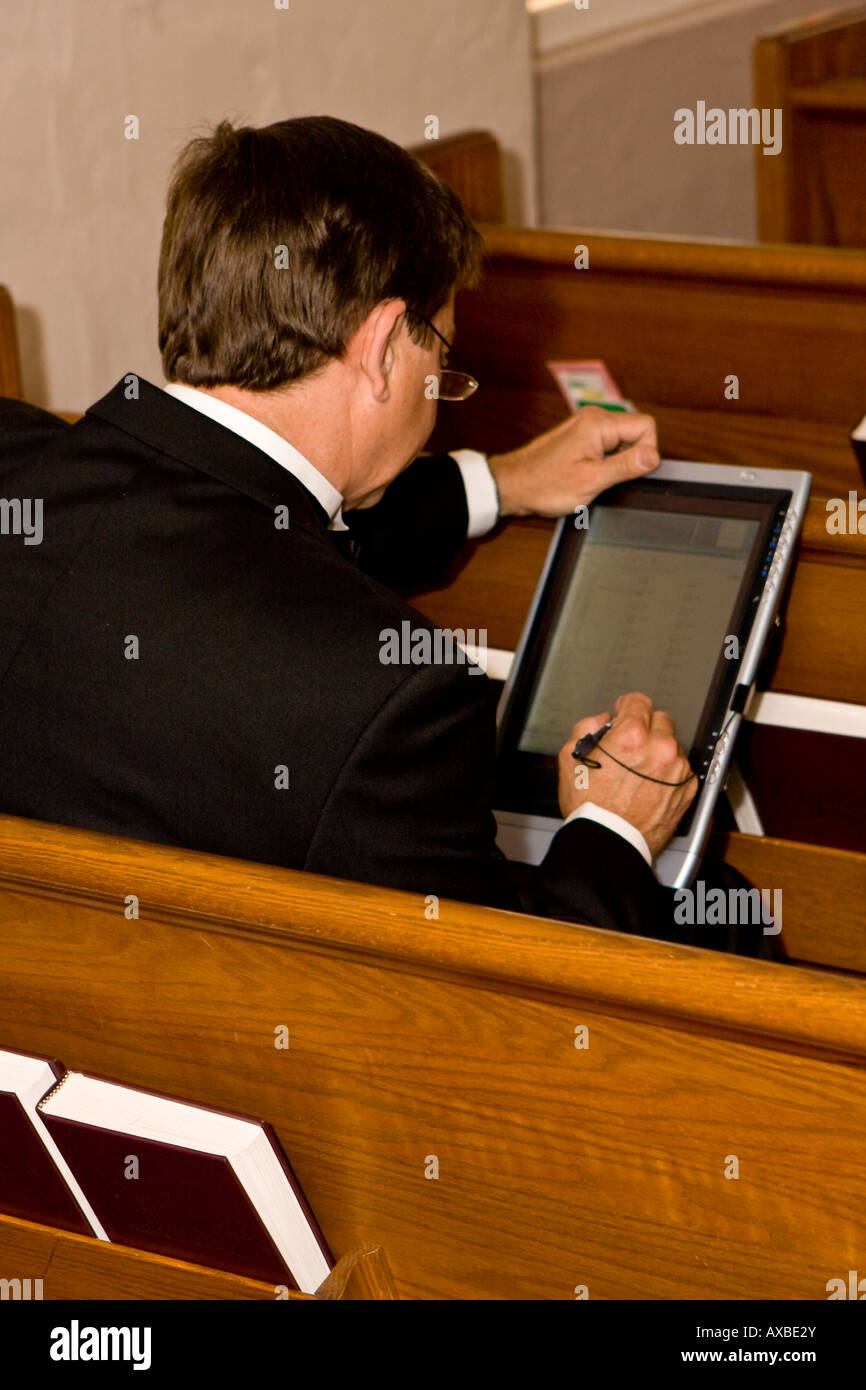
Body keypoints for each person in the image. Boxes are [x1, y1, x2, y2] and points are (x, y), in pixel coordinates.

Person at [0, 115, 722, 941]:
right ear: (382, 347)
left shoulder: (18, 461)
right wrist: (613, 830)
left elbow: (217, 543)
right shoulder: (390, 703)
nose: (439, 382)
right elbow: (499, 1006)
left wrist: (496, 484)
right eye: (440, 351)